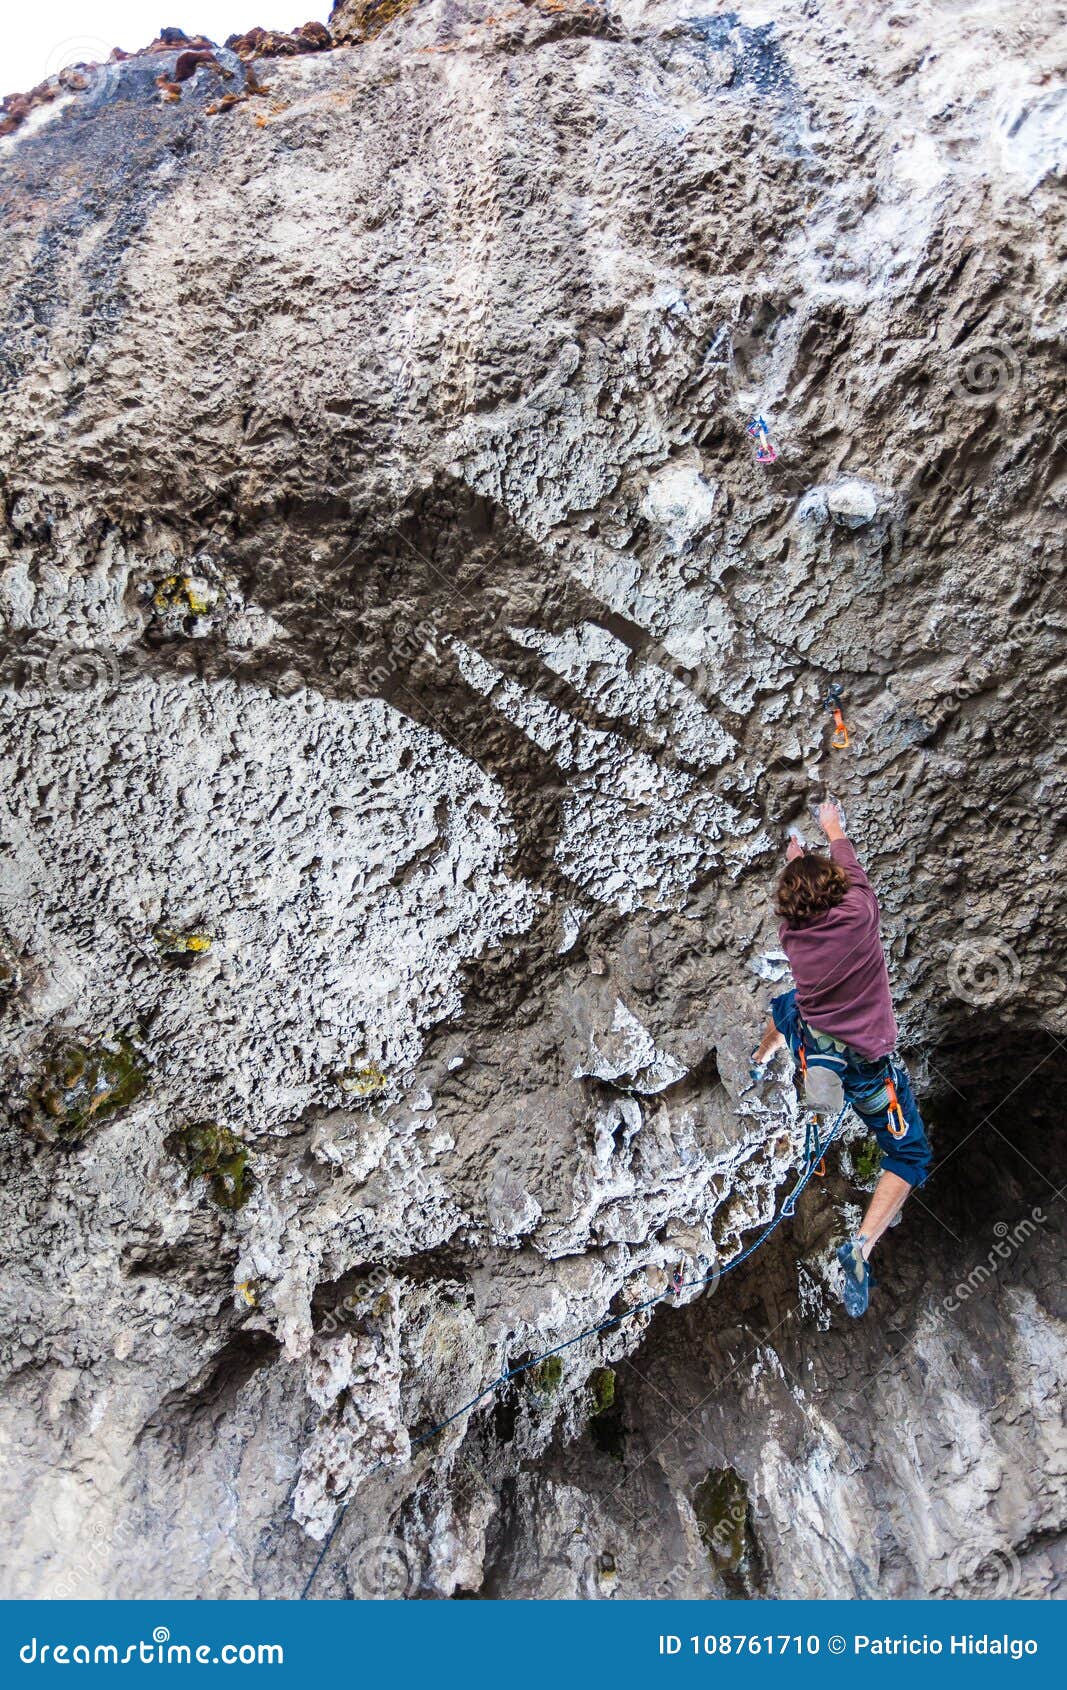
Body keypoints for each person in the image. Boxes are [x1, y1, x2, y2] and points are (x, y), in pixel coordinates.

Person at [749, 802, 932, 1316]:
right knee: (908, 1156)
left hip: (815, 1040)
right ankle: (862, 1245)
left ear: (789, 907)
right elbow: (850, 871)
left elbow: (810, 894)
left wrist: (795, 862)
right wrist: (831, 825)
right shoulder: (860, 914)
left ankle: (762, 1060)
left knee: (787, 1006)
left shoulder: (792, 937)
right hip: (871, 1066)